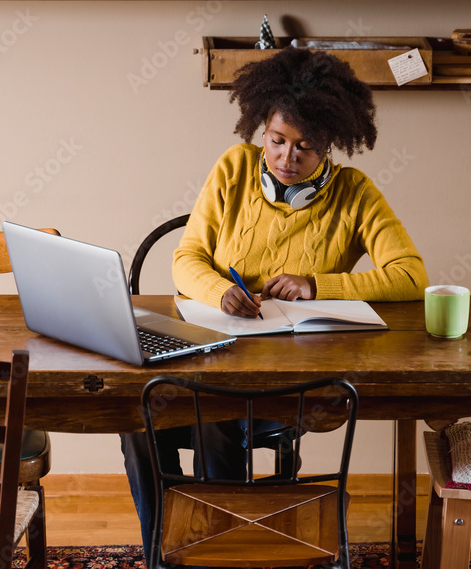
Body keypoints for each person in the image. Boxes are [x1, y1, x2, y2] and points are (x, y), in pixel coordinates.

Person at [121, 46, 429, 560]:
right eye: (277, 141)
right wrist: (219, 290)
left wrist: (318, 284)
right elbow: (187, 258)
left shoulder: (354, 193)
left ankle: (213, 544)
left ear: (330, 144)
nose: (286, 159)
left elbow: (410, 276)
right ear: (262, 131)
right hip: (213, 356)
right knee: (136, 418)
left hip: (294, 381)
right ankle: (164, 552)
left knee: (207, 413)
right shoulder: (233, 169)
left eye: (304, 148)